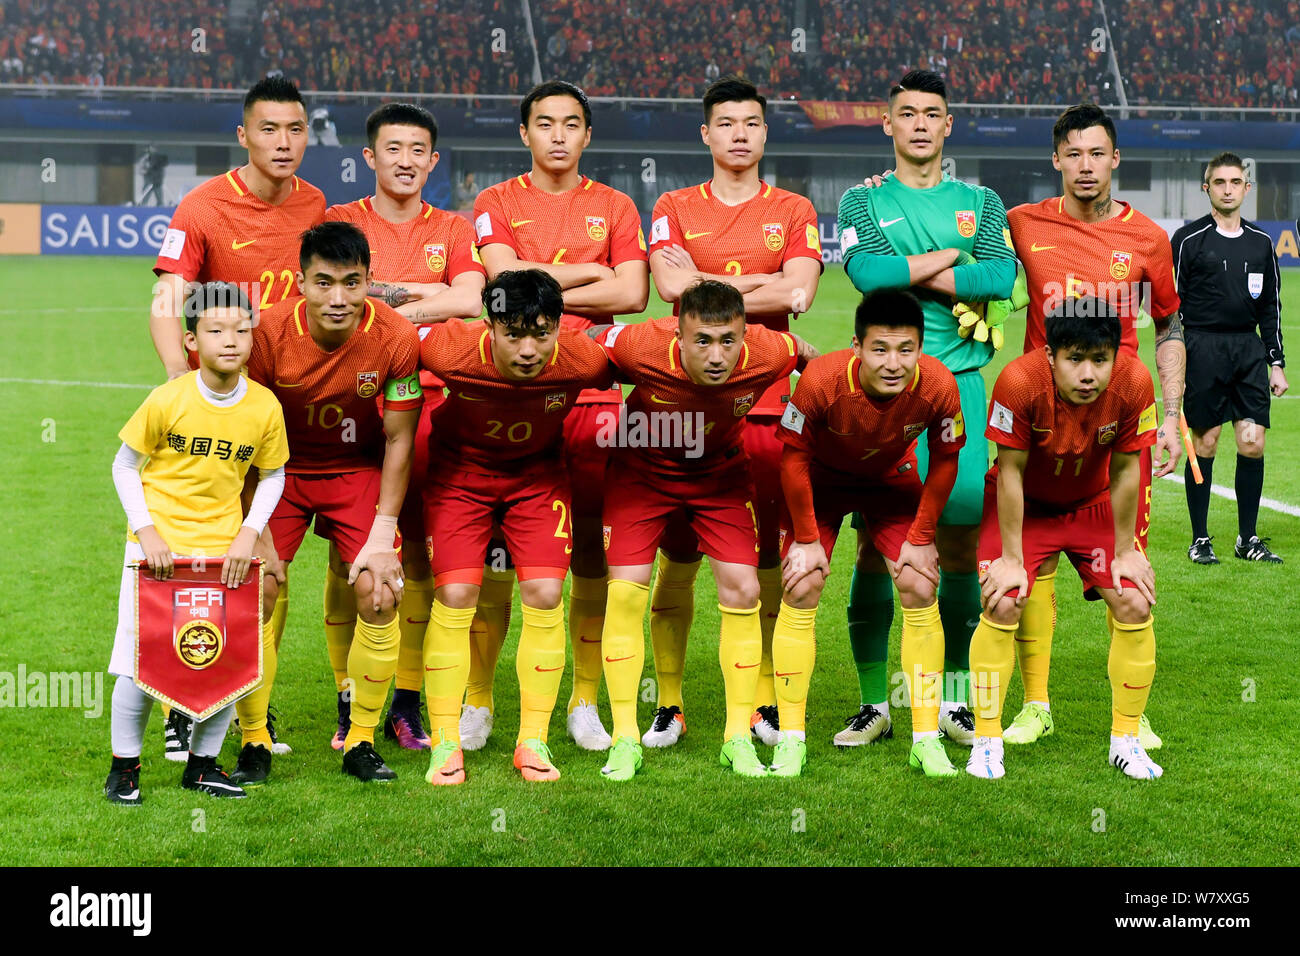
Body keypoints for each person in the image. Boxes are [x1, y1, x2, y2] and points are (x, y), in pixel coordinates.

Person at [836, 70, 1016, 749]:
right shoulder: (861, 199)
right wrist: (949, 259)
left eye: (930, 113)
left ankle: (957, 699)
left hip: (963, 389)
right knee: (877, 543)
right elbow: (868, 277)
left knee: (961, 542)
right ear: (888, 124)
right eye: (905, 113)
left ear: (948, 125)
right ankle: (874, 700)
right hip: (883, 391)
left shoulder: (981, 198)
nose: (918, 123)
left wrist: (915, 267)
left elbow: (1002, 275)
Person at [468, 80, 649, 753]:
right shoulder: (495, 201)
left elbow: (632, 291)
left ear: (587, 135)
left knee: (593, 559)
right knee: (498, 558)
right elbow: (498, 291)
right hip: (513, 401)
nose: (558, 136)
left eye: (571, 124)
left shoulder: (617, 204)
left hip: (596, 400)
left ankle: (583, 701)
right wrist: (583, 277)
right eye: (545, 123)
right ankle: (479, 700)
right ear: (525, 133)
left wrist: (533, 278)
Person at [148, 76, 324, 758]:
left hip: (287, 420)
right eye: (269, 130)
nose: (284, 143)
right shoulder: (203, 206)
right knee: (206, 566)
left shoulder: (315, 205)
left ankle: (251, 706)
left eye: (296, 129)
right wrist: (177, 383)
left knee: (266, 577)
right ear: (244, 135)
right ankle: (178, 704)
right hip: (219, 423)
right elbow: (170, 294)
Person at [645, 76, 822, 750]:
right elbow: (667, 285)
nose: (740, 133)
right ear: (706, 135)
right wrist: (762, 285)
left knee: (768, 560)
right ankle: (669, 701)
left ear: (764, 132)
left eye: (752, 122)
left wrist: (712, 285)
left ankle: (766, 700)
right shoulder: (672, 204)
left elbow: (801, 293)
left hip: (773, 408)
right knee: (680, 554)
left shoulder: (796, 207)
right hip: (688, 408)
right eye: (727, 123)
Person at [1003, 103, 1183, 749]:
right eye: (1073, 154)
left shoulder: (1148, 238)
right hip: (1043, 424)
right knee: (1031, 570)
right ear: (1056, 160)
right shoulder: (1022, 223)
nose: (1086, 166)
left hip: (1118, 431)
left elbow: (1171, 325)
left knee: (1126, 570)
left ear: (1115, 160)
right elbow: (961, 240)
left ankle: (1133, 713)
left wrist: (1173, 411)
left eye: (1097, 153)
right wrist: (891, 183)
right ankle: (1036, 704)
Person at [591, 280, 817, 782]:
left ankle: (736, 738)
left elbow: (809, 357)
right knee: (625, 595)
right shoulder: (639, 345)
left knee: (744, 589)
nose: (717, 356)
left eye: (728, 341)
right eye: (702, 341)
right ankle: (625, 738)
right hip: (641, 475)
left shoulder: (768, 349)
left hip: (719, 476)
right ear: (678, 331)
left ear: (744, 335)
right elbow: (585, 344)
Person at [321, 103, 486, 752]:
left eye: (419, 150)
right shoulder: (339, 222)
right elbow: (333, 297)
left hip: (431, 409)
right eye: (393, 149)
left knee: (419, 559)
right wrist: (422, 295)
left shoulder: (453, 225)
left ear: (433, 160)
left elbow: (470, 299)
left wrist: (381, 292)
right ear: (370, 157)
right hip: (353, 408)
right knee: (347, 561)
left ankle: (408, 700)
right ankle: (348, 695)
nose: (406, 160)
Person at [239, 222, 422, 785]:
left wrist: (383, 530)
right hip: (280, 472)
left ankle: (361, 740)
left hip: (356, 471)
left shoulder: (395, 336)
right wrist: (255, 529)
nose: (338, 298)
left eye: (351, 282)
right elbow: (247, 434)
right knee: (257, 586)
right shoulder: (269, 333)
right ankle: (254, 740)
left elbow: (399, 438)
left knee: (379, 589)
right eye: (323, 283)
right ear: (301, 282)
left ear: (370, 280)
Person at [418, 269, 615, 785]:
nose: (528, 349)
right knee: (458, 593)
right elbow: (388, 340)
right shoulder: (449, 350)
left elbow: (643, 345)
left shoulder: (583, 358)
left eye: (542, 333)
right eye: (514, 334)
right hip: (460, 476)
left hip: (537, 478)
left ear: (559, 328)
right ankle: (444, 742)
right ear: (490, 326)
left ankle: (533, 740)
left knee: (546, 593)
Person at [104, 282, 287, 804]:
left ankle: (203, 766)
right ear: (191, 339)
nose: (230, 339)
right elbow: (123, 466)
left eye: (241, 329)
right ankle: (124, 769)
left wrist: (249, 532)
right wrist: (147, 534)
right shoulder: (169, 398)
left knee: (226, 662)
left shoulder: (265, 408)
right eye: (216, 330)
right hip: (156, 554)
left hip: (224, 555)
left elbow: (271, 475)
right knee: (140, 665)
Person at [968, 302, 1163, 781]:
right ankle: (987, 741)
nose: (1089, 373)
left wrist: (1124, 551)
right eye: (1075, 358)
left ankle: (1127, 740)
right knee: (1004, 599)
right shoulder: (1018, 381)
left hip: (1090, 502)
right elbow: (1009, 472)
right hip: (1025, 506)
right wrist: (1011, 560)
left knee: (1134, 602)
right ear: (1050, 354)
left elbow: (1124, 470)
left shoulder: (1135, 382)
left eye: (1100, 359)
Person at [776, 290, 965, 777]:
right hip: (820, 480)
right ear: (856, 345)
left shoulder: (940, 386)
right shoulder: (820, 381)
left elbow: (946, 461)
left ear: (921, 348)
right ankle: (791, 739)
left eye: (906, 350)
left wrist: (921, 537)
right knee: (802, 583)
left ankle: (925, 738)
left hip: (889, 479)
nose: (893, 363)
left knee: (920, 582)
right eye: (880, 349)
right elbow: (793, 459)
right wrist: (804, 537)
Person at [1171, 151, 1287, 565]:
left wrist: (1276, 362)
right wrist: (1176, 366)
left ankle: (1248, 538)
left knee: (1252, 442)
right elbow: (1171, 309)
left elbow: (1270, 308)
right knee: (1205, 441)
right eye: (1218, 182)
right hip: (1202, 348)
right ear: (1207, 188)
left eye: (1234, 182)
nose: (1227, 189)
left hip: (1248, 351)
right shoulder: (1187, 240)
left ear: (1245, 188)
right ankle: (1200, 538)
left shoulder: (1262, 243)